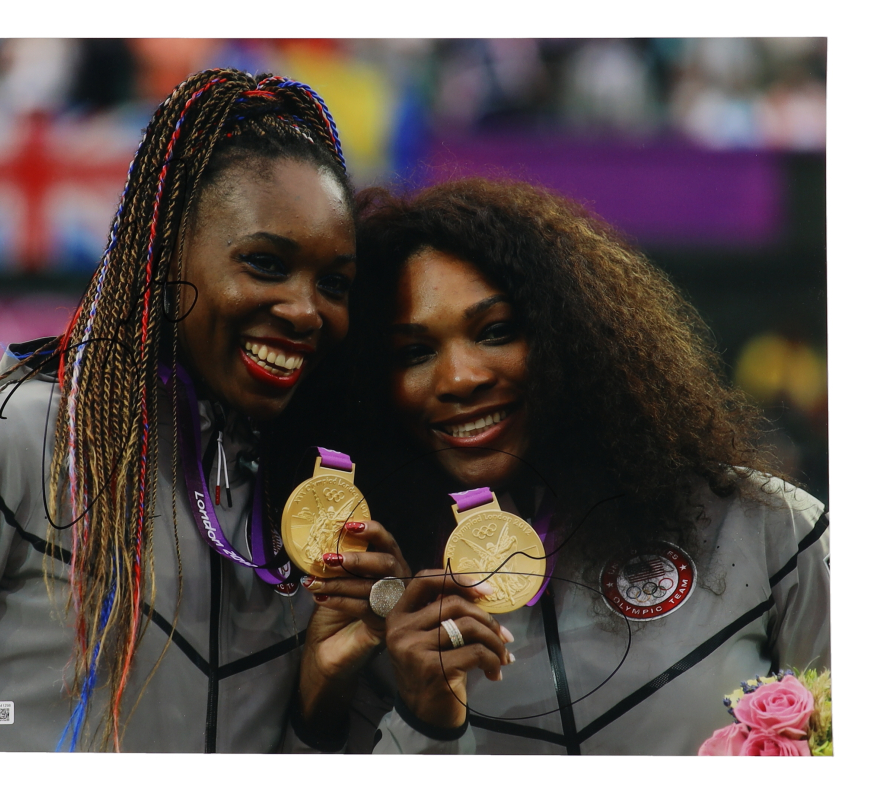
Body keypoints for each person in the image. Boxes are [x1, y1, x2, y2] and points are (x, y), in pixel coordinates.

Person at [0, 68, 407, 753]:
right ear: (167, 257)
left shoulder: (302, 522)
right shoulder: (12, 443)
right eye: (266, 263)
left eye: (334, 283)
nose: (307, 310)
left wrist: (322, 692)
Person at [309, 178, 830, 754]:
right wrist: (424, 718)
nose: (460, 378)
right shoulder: (372, 609)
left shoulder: (766, 526)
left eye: (497, 331)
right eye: (414, 352)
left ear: (572, 335)